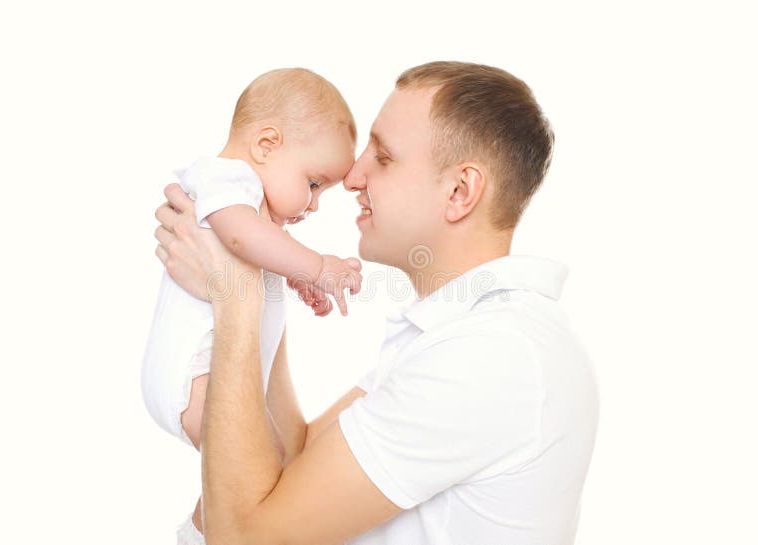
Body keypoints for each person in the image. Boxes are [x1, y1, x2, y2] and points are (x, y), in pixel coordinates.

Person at [154, 61, 599, 545]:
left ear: (459, 192)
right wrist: (265, 271)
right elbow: (292, 456)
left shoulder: (491, 357)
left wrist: (233, 294)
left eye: (383, 157)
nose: (352, 177)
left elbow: (244, 537)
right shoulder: (458, 337)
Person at [142, 68, 362, 544]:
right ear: (266, 144)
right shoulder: (226, 177)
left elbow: (254, 256)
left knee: (269, 464)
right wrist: (316, 266)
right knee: (258, 474)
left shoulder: (251, 204)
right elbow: (240, 235)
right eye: (315, 182)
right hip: (191, 376)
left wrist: (297, 279)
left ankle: (199, 532)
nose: (315, 204)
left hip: (207, 375)